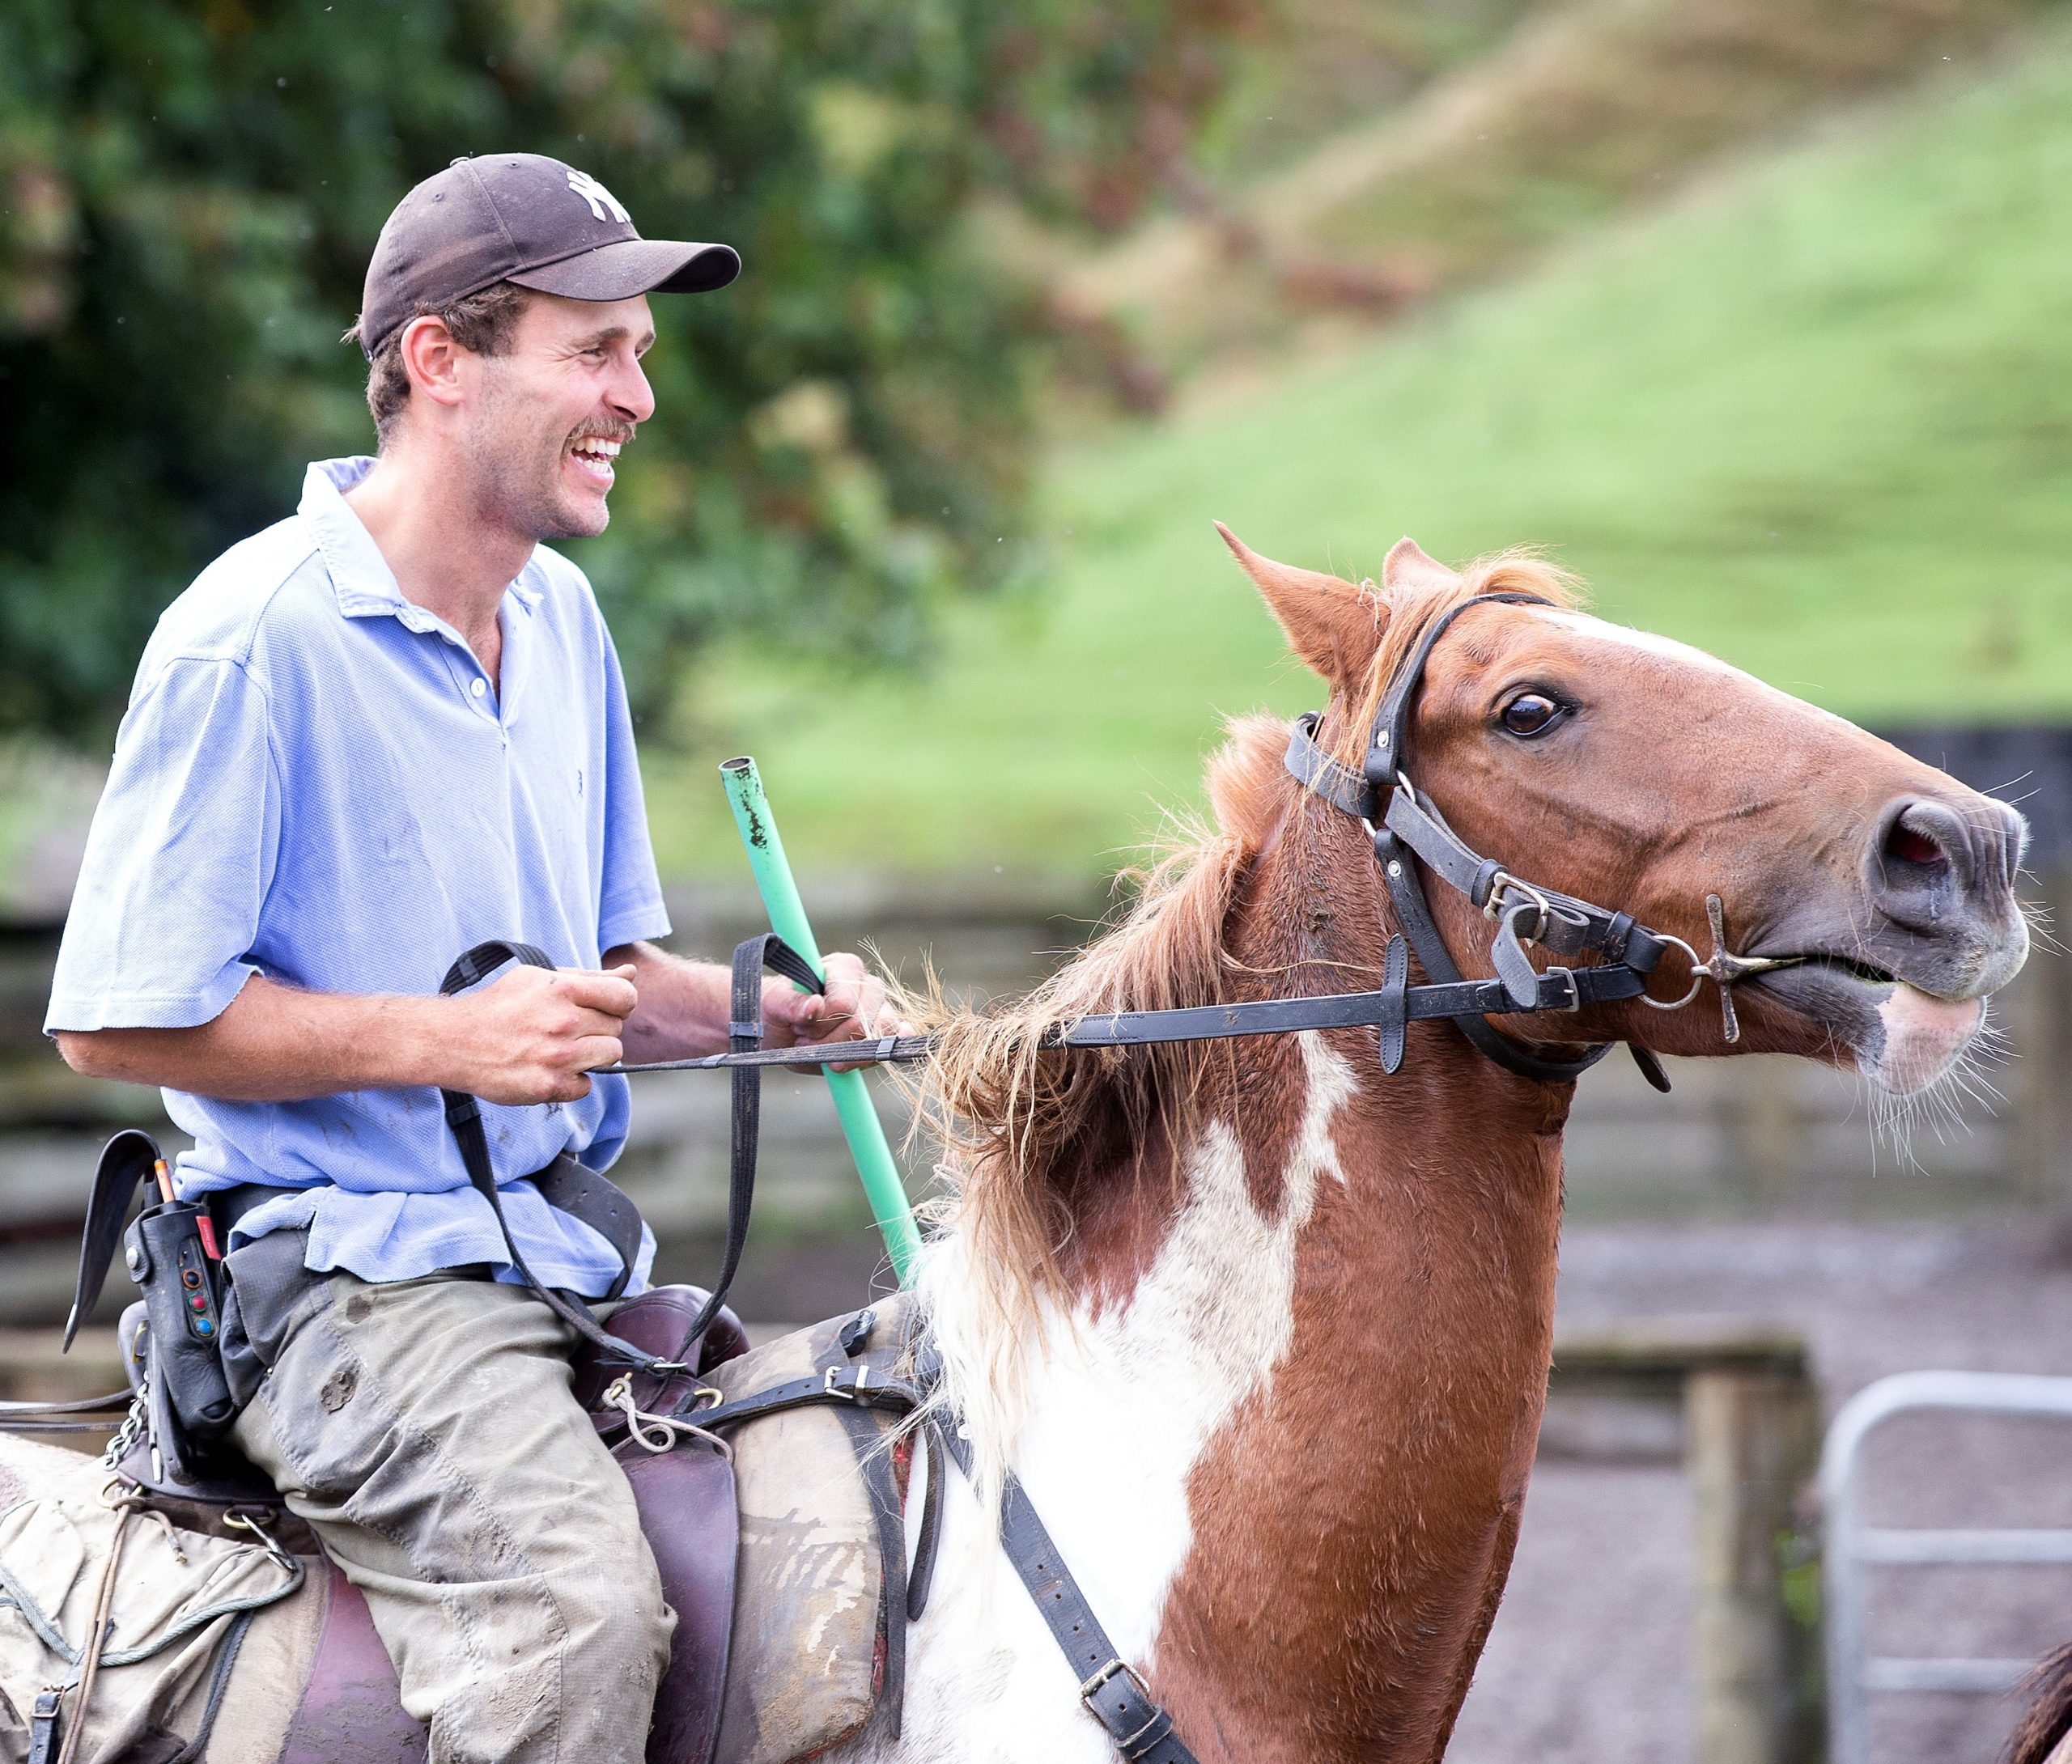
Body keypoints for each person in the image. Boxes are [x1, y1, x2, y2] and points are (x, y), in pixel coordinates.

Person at [44, 152, 901, 1764]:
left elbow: (591, 984)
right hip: (340, 1291)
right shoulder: (255, 637)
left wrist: (759, 1013)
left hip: (560, 1261)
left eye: (639, 354)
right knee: (568, 1617)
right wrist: (442, 1043)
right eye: (595, 350)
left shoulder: (564, 619)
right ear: (440, 362)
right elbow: (115, 1019)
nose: (637, 396)